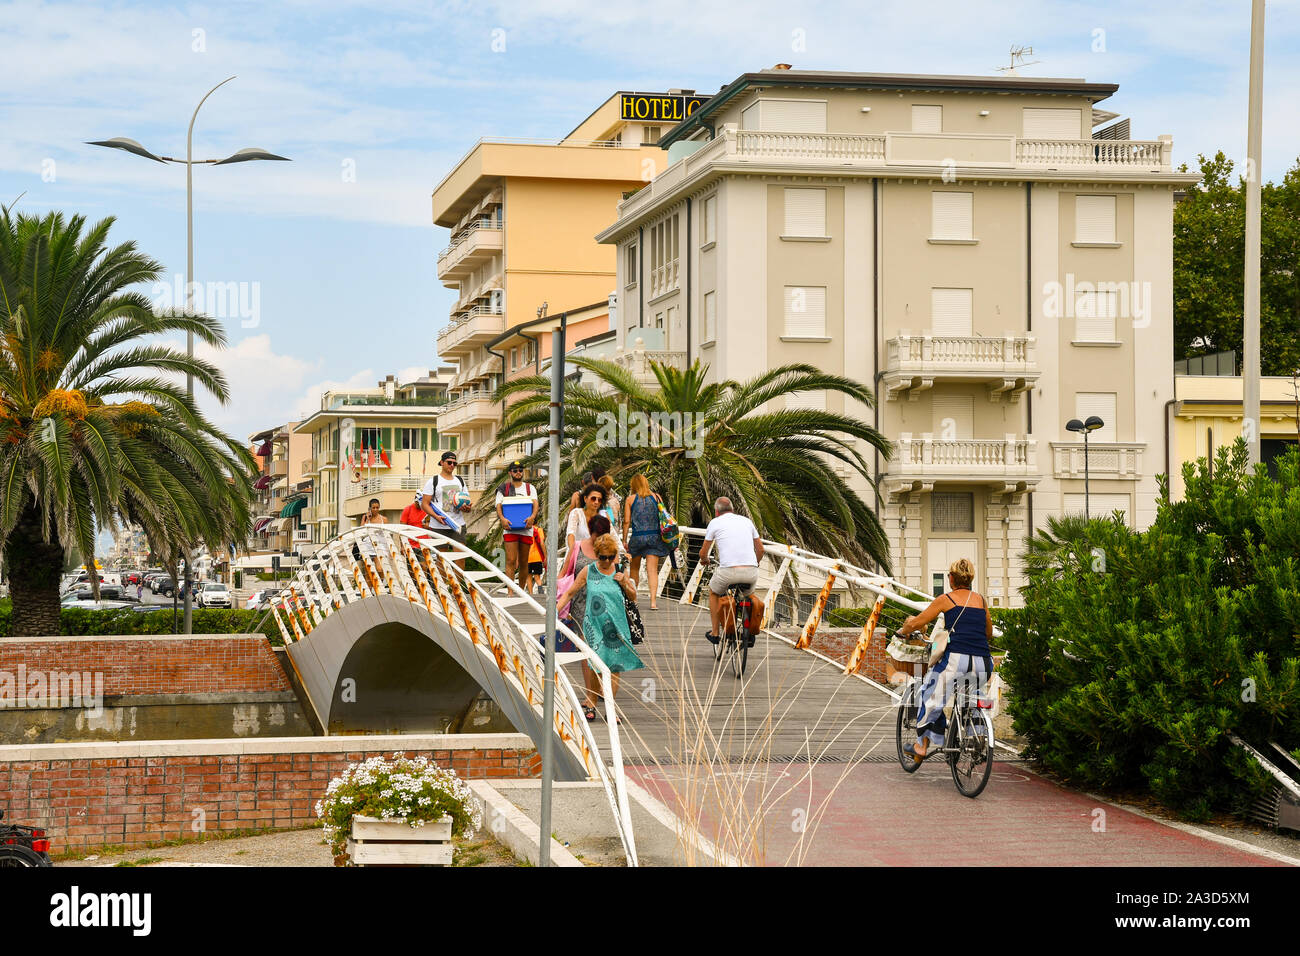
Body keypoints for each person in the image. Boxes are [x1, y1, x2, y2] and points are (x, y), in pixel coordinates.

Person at [898, 558, 994, 764]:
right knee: (973, 698)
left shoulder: (946, 599)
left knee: (929, 694)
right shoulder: (981, 601)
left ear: (951, 579)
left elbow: (917, 622)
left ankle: (921, 746)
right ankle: (975, 738)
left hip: (956, 660)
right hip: (983, 663)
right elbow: (988, 633)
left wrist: (903, 630)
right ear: (970, 579)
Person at [556, 532, 642, 722]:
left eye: (610, 557)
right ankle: (592, 702)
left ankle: (612, 709)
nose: (606, 561)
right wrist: (555, 611)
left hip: (616, 625)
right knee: (594, 665)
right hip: (593, 624)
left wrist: (624, 583)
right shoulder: (589, 570)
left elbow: (633, 597)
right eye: (603, 557)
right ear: (596, 555)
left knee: (614, 667)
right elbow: (570, 593)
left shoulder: (619, 570)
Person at [698, 497, 765, 647]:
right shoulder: (746, 521)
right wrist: (755, 563)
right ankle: (750, 632)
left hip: (728, 571)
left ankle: (715, 633)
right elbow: (760, 549)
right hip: (751, 570)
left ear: (716, 512)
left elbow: (704, 552)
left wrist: (704, 560)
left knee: (713, 593)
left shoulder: (715, 523)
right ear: (733, 509)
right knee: (749, 595)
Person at [622, 473, 670, 610]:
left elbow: (626, 522)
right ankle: (653, 602)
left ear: (634, 485)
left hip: (637, 537)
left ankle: (634, 600)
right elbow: (663, 517)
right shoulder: (657, 497)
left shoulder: (630, 499)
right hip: (654, 538)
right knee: (652, 571)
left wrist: (624, 540)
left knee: (634, 569)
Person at [495, 460, 538, 594]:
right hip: (510, 528)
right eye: (515, 470)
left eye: (520, 470)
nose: (518, 473)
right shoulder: (504, 489)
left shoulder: (529, 488)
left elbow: (535, 504)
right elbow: (498, 506)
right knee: (511, 560)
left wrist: (532, 517)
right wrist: (502, 519)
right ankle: (510, 592)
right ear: (510, 473)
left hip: (526, 528)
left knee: (524, 561)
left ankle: (521, 590)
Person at [565, 482, 607, 556]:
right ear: (585, 499)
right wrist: (574, 553)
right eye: (593, 499)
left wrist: (622, 551)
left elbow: (613, 536)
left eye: (599, 500)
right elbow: (571, 534)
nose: (596, 502)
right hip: (577, 556)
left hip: (596, 559)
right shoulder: (576, 513)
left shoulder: (603, 516)